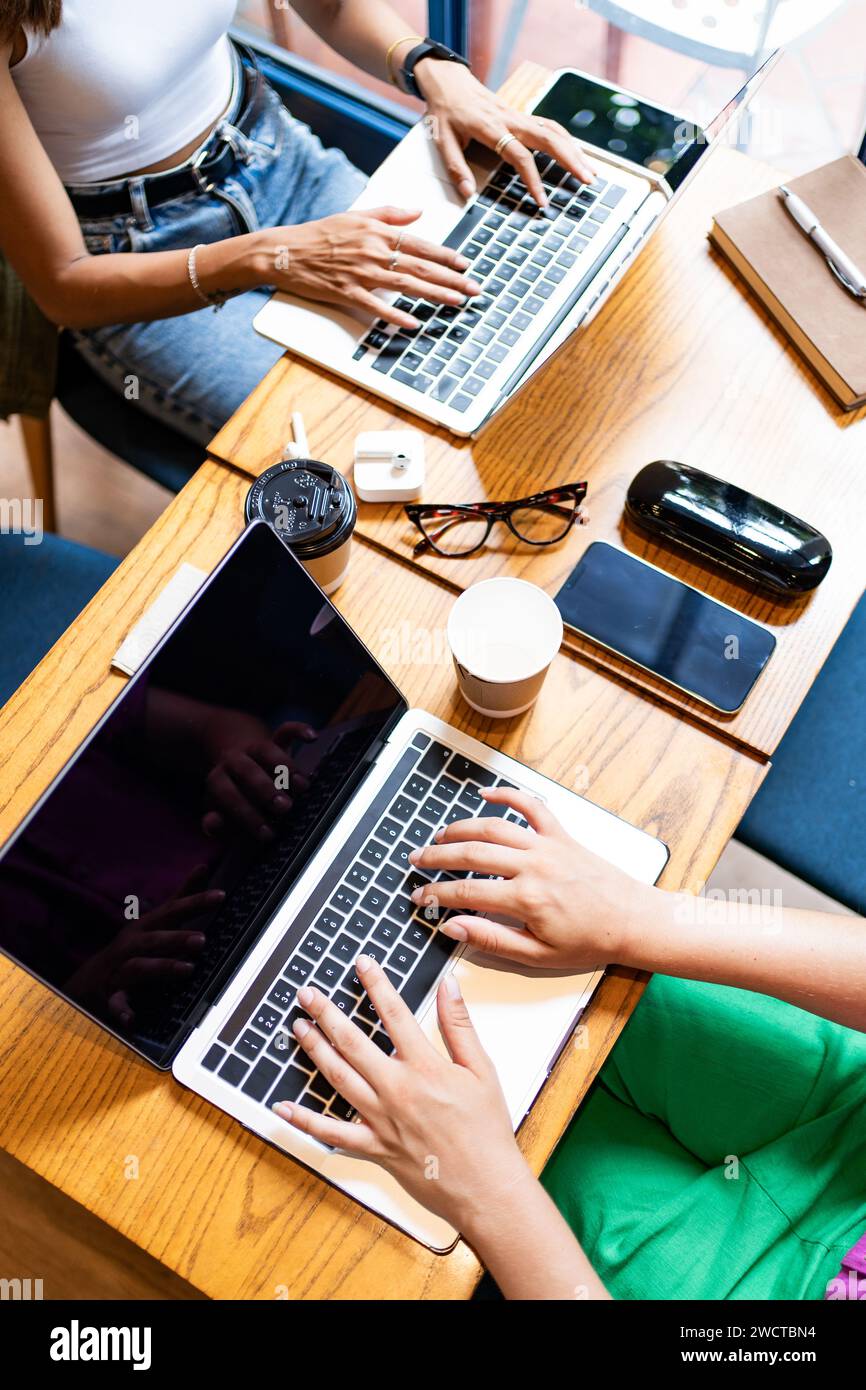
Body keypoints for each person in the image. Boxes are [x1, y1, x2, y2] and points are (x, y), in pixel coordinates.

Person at [272, 785, 866, 1301]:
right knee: (521, 958)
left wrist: (489, 1191)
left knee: (426, 1123)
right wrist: (638, 916)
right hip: (850, 1118)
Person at [0, 0, 594, 444]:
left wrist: (436, 71)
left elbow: (330, 7)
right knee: (367, 447)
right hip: (143, 264)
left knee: (491, 344)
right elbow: (63, 286)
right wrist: (271, 255)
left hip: (279, 161)